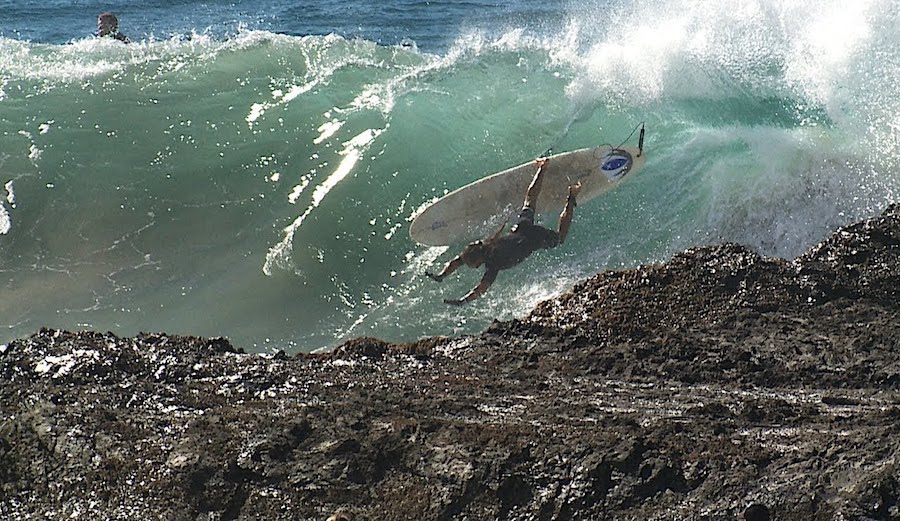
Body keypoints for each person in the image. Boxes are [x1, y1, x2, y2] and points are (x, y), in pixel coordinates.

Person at [426, 157, 582, 305]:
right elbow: (457, 262)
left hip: (534, 240)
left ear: (479, 261)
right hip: (522, 228)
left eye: (471, 264)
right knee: (529, 202)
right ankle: (543, 167)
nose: (467, 265)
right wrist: (441, 275)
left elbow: (481, 288)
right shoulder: (484, 245)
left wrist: (463, 301)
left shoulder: (492, 265)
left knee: (560, 238)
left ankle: (572, 196)